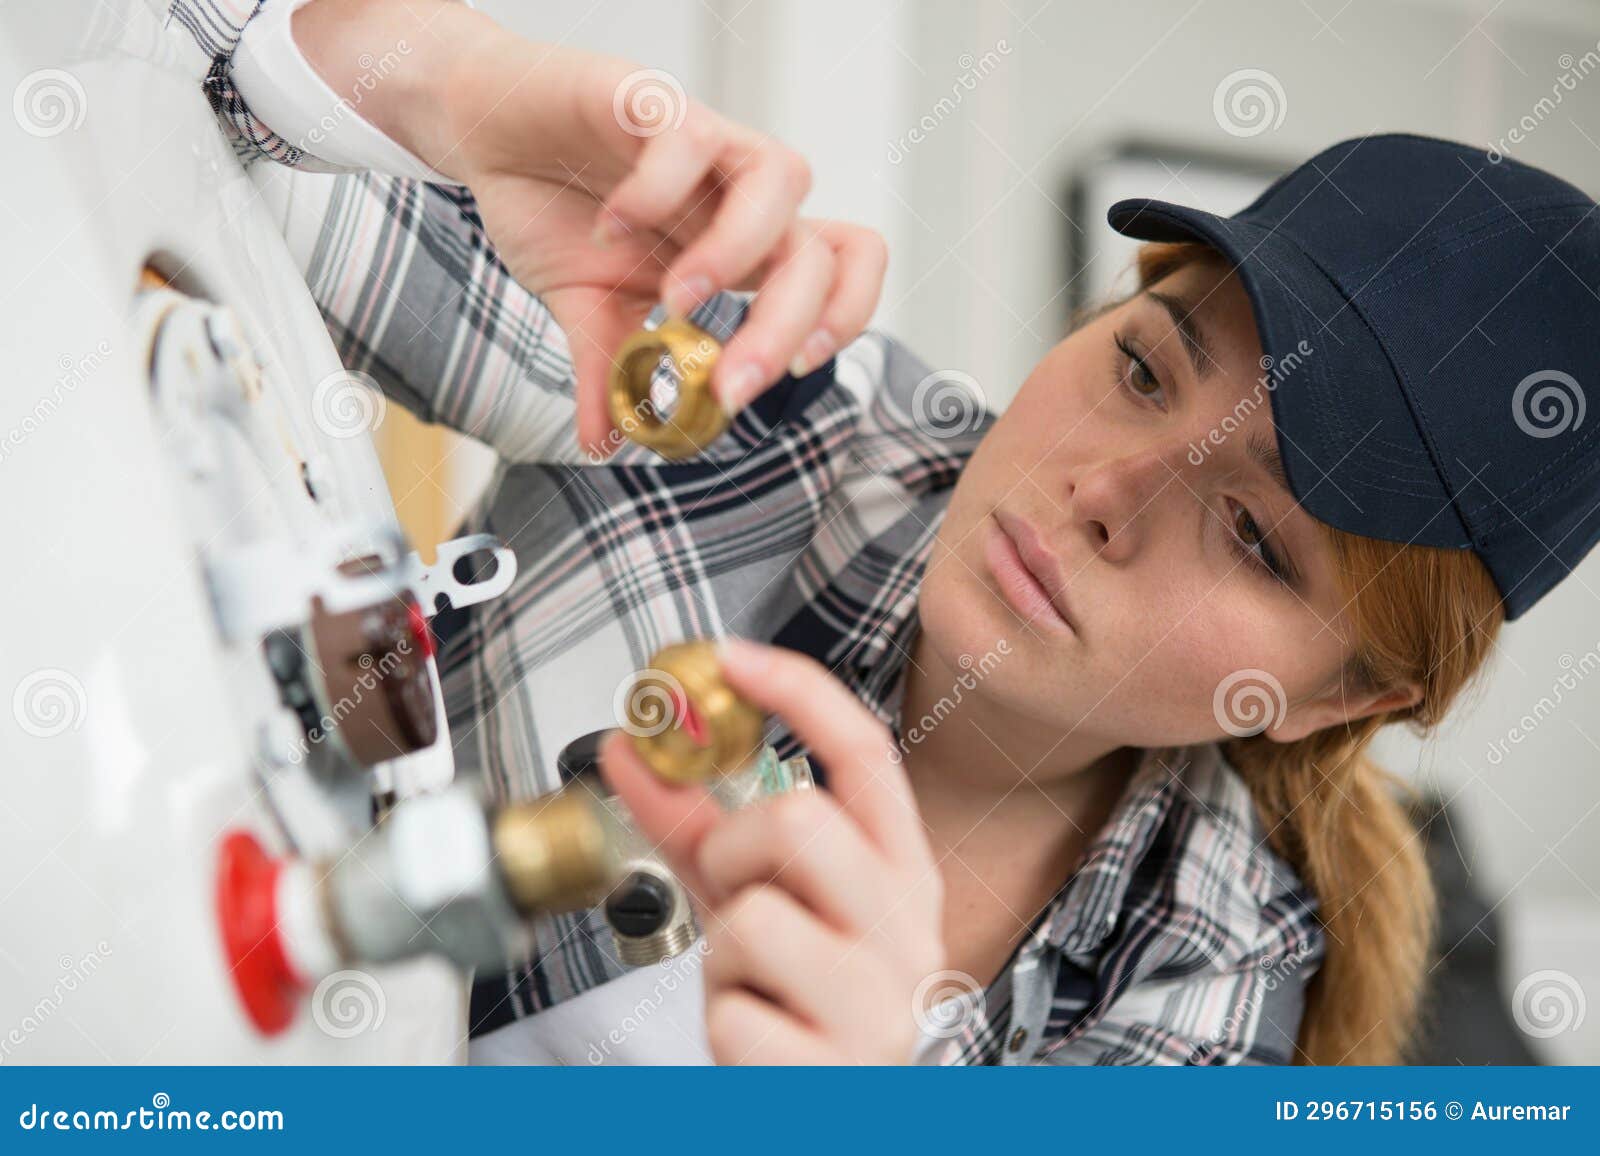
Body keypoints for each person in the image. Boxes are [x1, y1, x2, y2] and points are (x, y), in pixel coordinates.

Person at [170, 0, 1600, 1064]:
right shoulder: (774, 399)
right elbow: (168, 85)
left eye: (1257, 540)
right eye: (1148, 368)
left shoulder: (1207, 980)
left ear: (1345, 694)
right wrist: (430, 75)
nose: (1108, 493)